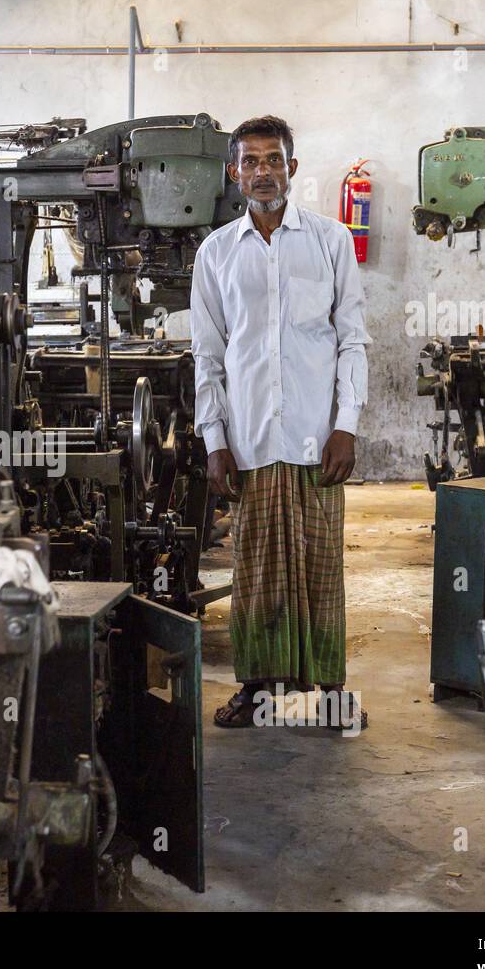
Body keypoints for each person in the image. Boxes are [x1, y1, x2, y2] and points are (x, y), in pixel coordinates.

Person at [190, 115, 370, 730]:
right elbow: (208, 356)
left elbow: (353, 339)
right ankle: (257, 688)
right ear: (234, 172)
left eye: (273, 160)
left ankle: (331, 691)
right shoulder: (215, 254)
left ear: (292, 170)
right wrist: (214, 439)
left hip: (317, 437)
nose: (262, 172)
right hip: (249, 437)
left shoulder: (330, 241)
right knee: (255, 568)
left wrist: (346, 423)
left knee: (320, 567)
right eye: (250, 161)